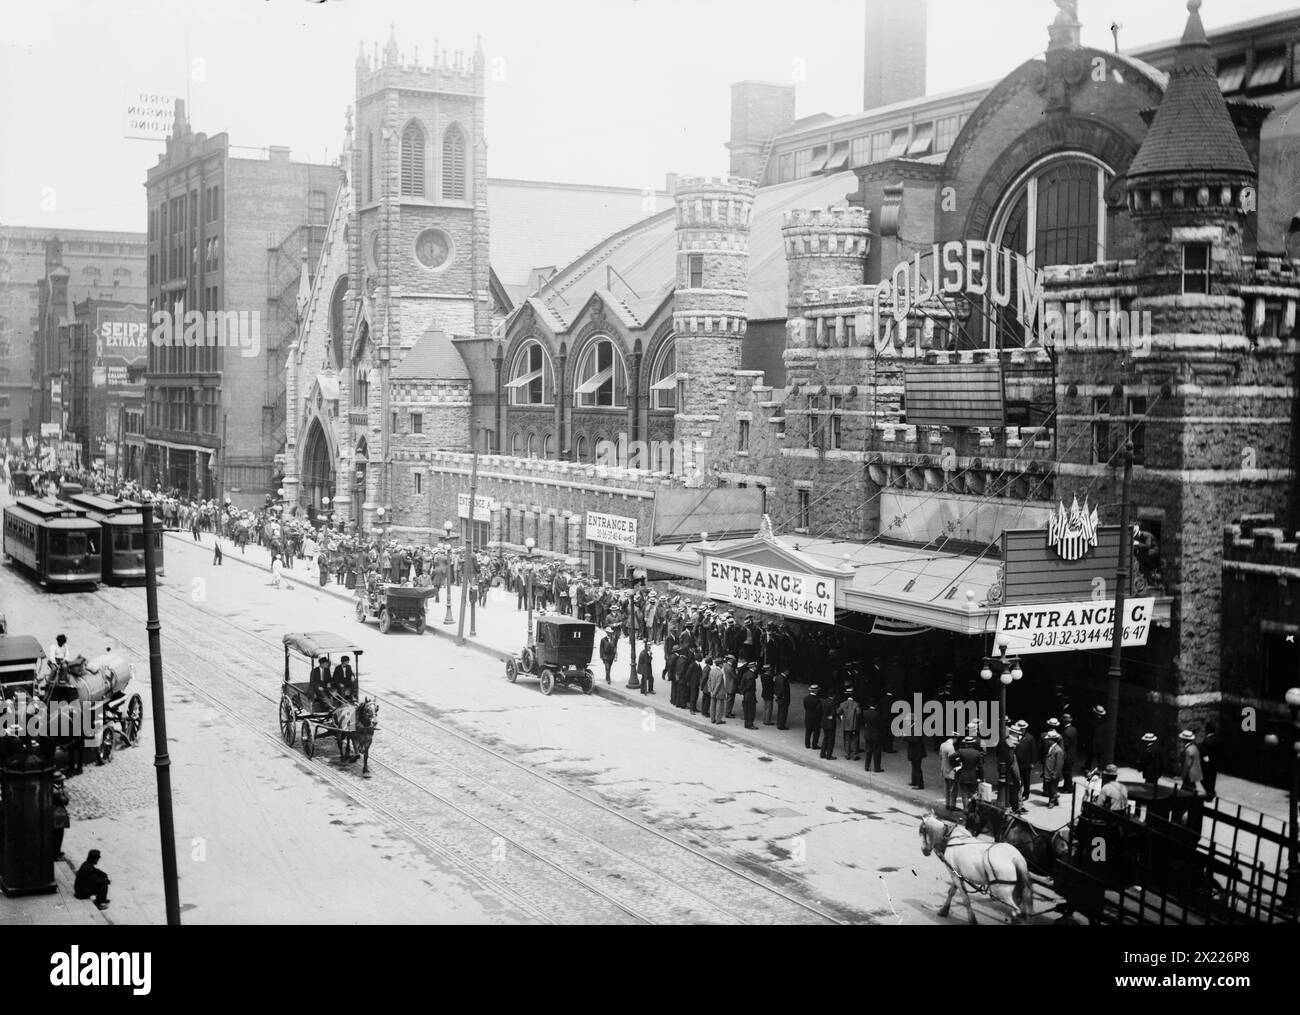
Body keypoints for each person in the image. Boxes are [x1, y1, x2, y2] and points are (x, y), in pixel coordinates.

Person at [955, 736, 984, 809]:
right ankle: (972, 809)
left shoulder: (961, 751)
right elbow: (980, 767)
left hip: (963, 775)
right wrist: (982, 777)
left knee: (964, 794)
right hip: (973, 776)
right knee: (973, 794)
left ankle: (966, 809)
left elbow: (951, 757)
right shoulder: (977, 753)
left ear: (965, 744)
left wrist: (958, 763)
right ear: (972, 744)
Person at [1013, 720, 1037, 804]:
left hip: (1026, 762)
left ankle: (1026, 793)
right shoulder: (1014, 736)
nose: (1021, 730)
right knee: (1017, 779)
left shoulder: (1030, 738)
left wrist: (1033, 762)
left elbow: (1033, 751)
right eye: (1020, 728)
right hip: (1017, 762)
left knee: (1026, 779)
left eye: (1023, 728)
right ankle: (1018, 793)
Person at [1178, 730, 1205, 795]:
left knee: (1185, 793)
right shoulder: (1194, 747)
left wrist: (1182, 776)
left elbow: (1187, 765)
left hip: (1189, 776)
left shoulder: (1188, 750)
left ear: (1183, 740)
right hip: (1195, 774)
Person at [1042, 730, 1064, 807]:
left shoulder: (1058, 750)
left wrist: (1055, 774)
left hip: (1053, 773)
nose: (1047, 741)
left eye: (1048, 739)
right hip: (1048, 771)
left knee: (1052, 788)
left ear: (1052, 740)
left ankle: (1052, 801)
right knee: (1050, 787)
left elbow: (1059, 764)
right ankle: (1055, 799)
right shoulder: (1050, 747)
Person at [860, 700, 884, 773]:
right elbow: (880, 725)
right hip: (876, 735)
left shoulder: (864, 712)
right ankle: (877, 768)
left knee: (868, 751)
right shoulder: (877, 714)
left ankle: (867, 766)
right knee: (876, 752)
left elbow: (862, 721)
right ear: (875, 705)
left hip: (867, 734)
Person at [1200, 722, 1221, 800]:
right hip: (1215, 763)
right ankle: (1210, 793)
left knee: (1205, 779)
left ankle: (1210, 793)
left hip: (1207, 765)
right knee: (1212, 779)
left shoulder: (1207, 741)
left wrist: (1206, 763)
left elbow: (1204, 754)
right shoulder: (1218, 739)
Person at [939, 730, 959, 810]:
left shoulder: (942, 745)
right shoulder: (951, 747)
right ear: (954, 738)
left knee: (946, 788)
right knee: (953, 789)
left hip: (944, 769)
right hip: (950, 771)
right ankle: (952, 805)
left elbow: (940, 756)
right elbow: (952, 760)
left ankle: (947, 804)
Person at [52, 772, 70, 859]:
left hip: (55, 814)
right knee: (58, 835)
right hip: (57, 815)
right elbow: (65, 800)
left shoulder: (52, 788)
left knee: (56, 835)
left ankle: (56, 852)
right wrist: (64, 792)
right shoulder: (56, 791)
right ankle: (56, 853)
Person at [838, 693, 861, 761]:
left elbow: (838, 711)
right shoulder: (856, 704)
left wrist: (841, 718)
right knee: (854, 740)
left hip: (845, 725)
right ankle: (854, 755)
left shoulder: (842, 704)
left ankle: (847, 754)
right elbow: (858, 713)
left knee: (847, 739)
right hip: (854, 725)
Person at [1060, 713, 1079, 792]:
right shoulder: (1074, 729)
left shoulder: (1066, 732)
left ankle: (1068, 788)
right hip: (1072, 753)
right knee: (1068, 771)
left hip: (1067, 755)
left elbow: (1065, 745)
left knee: (1066, 772)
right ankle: (1066, 786)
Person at [906, 722, 927, 788]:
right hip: (915, 751)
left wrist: (905, 737)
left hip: (917, 752)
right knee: (914, 767)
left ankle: (920, 784)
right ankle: (914, 781)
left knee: (917, 768)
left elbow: (914, 740)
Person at [707, 658, 727, 724]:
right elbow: (718, 684)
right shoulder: (720, 673)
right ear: (720, 664)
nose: (723, 665)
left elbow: (709, 681)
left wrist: (710, 691)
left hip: (712, 691)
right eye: (722, 664)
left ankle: (712, 719)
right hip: (719, 692)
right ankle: (718, 720)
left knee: (712, 706)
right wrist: (714, 692)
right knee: (719, 707)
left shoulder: (712, 671)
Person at [819, 688, 838, 757]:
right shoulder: (833, 703)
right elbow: (833, 713)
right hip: (831, 723)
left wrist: (824, 716)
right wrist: (830, 717)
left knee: (825, 738)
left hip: (824, 722)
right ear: (834, 695)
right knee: (831, 740)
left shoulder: (823, 701)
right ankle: (829, 755)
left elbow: (819, 708)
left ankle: (822, 753)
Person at [804, 685, 823, 751]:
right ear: (816, 691)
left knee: (808, 731)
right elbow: (819, 709)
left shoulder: (806, 698)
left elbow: (805, 707)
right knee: (816, 732)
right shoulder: (818, 700)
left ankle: (807, 744)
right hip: (816, 718)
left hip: (808, 717)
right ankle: (814, 745)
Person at [741, 663, 760, 730]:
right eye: (755, 667)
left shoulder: (745, 674)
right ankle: (750, 724)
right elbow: (749, 686)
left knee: (746, 710)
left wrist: (743, 691)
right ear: (753, 667)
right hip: (750, 695)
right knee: (751, 710)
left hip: (746, 695)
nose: (756, 668)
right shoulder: (752, 676)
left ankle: (746, 723)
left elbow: (742, 684)